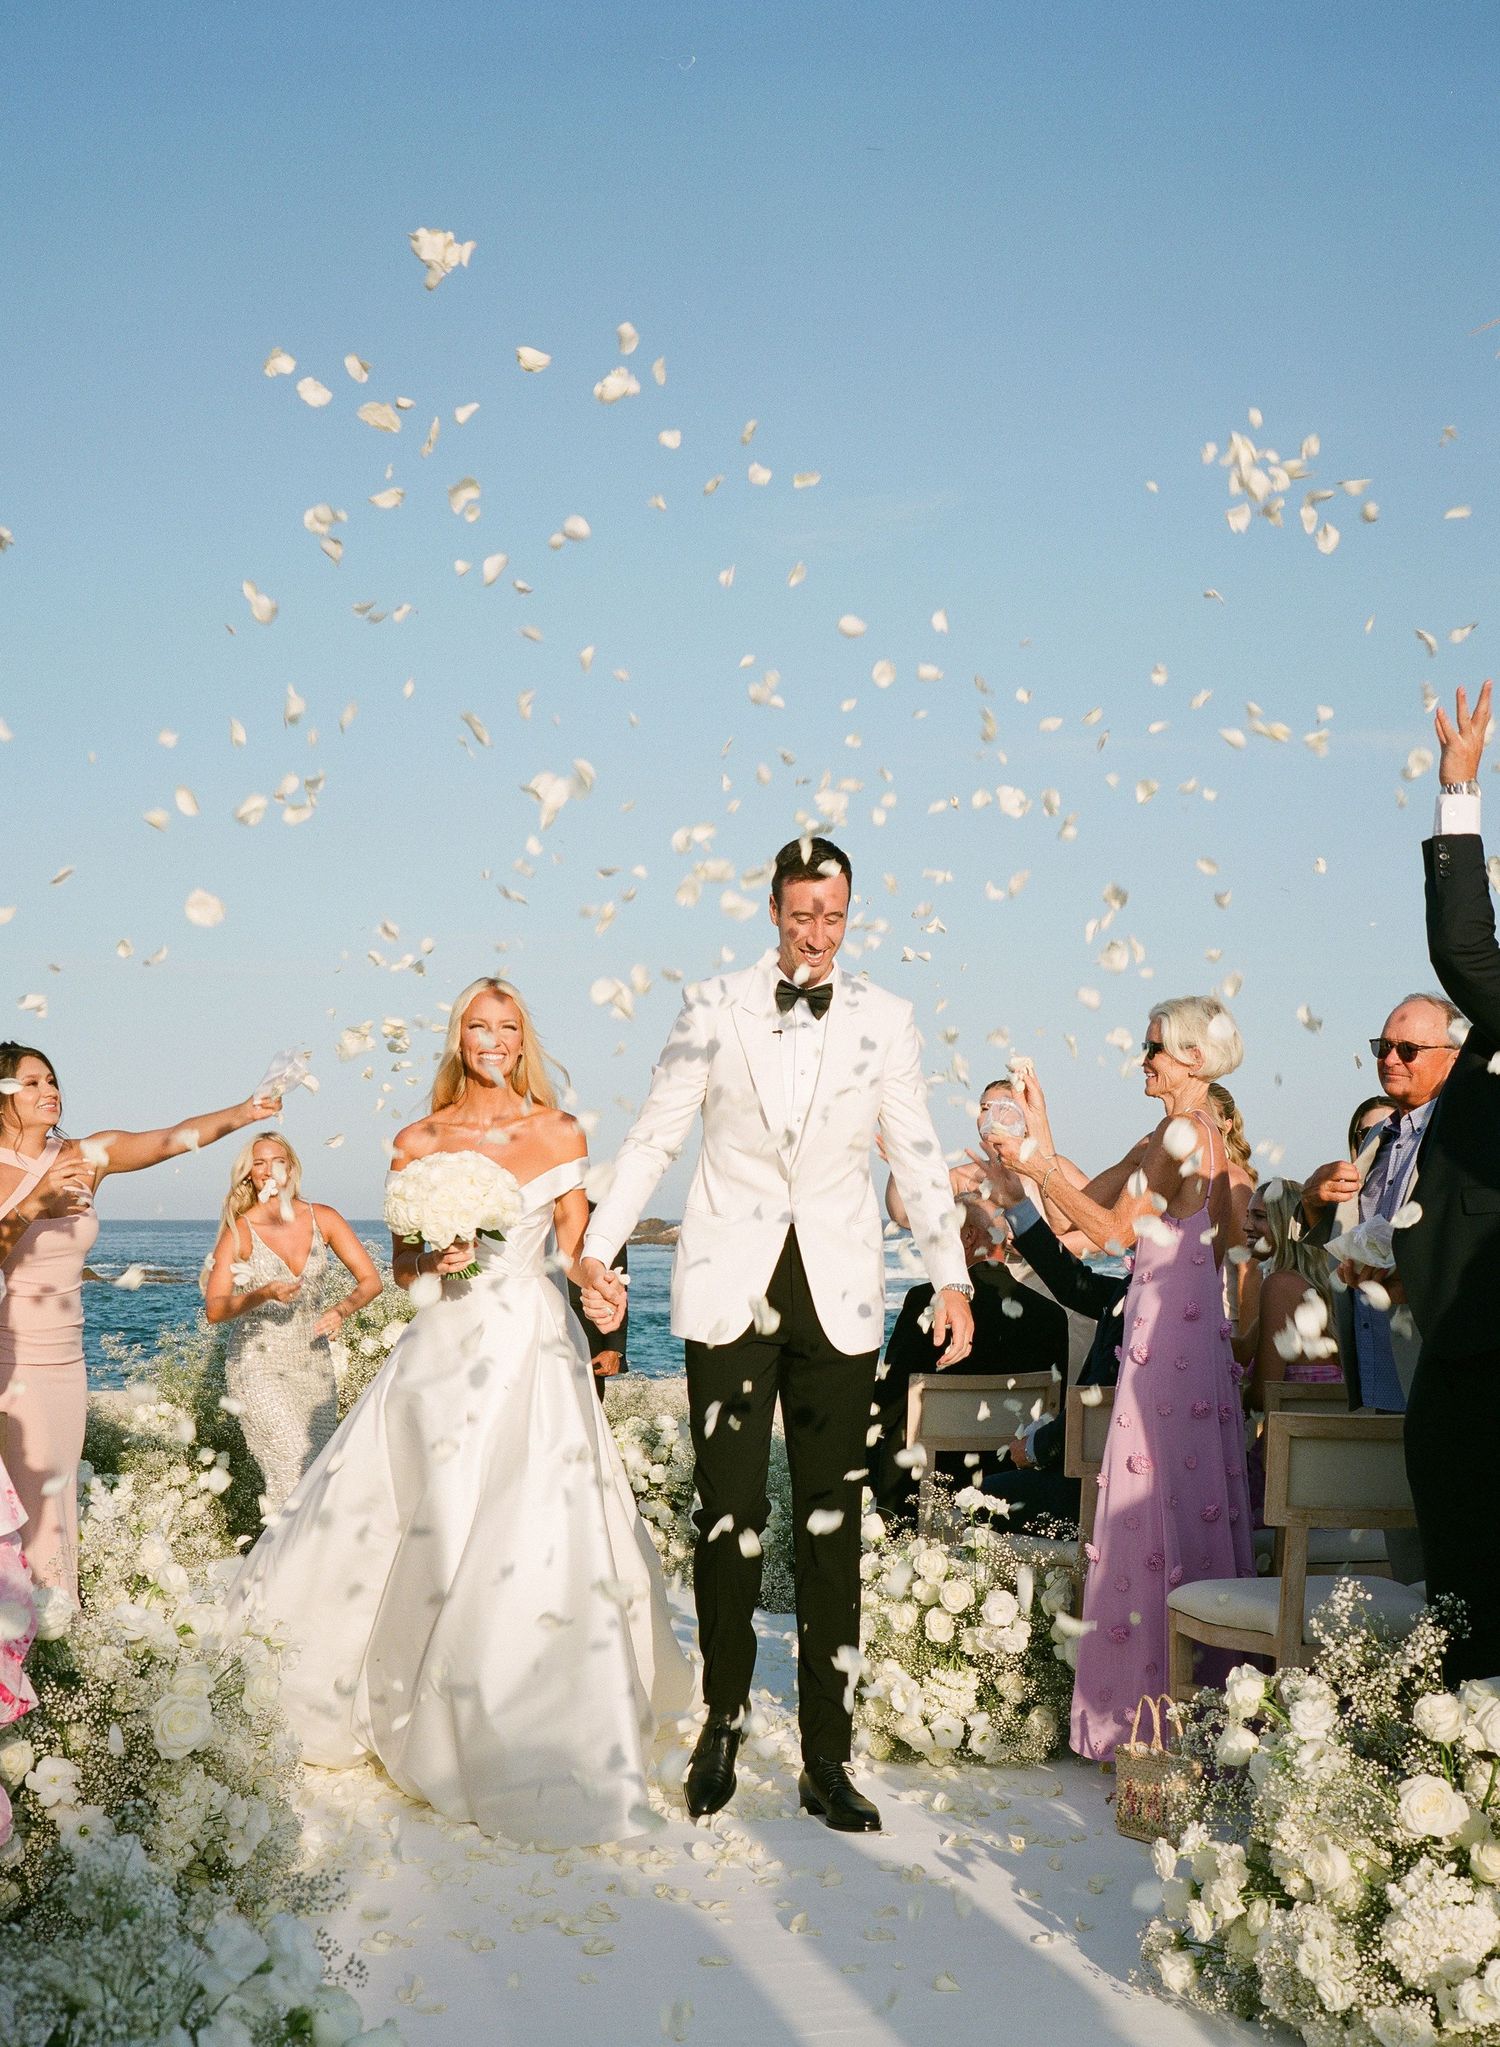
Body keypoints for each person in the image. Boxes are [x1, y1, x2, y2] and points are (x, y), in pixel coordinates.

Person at [229, 979, 692, 1847]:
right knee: (433, 1512)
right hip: (442, 1345)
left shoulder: (560, 1131)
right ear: (459, 1038)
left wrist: (600, 1285)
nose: (493, 1039)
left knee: (535, 1513)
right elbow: (403, 1272)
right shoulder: (418, 1140)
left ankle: (523, 1708)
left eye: (507, 1026)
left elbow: (575, 1247)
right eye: (478, 1025)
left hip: (531, 1344)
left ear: (523, 1039)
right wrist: (433, 1259)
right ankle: (404, 1690)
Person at [579, 835, 973, 1834]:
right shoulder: (712, 1005)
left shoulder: (887, 1017)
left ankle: (827, 1758)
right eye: (802, 915)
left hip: (838, 1292)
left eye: (833, 916)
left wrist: (951, 1275)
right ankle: (720, 1724)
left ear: (850, 915)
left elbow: (917, 1153)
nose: (817, 934)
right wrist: (596, 1249)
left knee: (832, 1520)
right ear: (773, 911)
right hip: (730, 1289)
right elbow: (654, 1135)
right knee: (730, 1511)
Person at [994, 997, 1255, 1762]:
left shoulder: (1182, 1135)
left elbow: (1108, 1231)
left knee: (1147, 1518)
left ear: (1194, 1059)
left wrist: (1034, 1163)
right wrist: (1039, 1135)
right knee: (1181, 1513)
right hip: (1190, 1343)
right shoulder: (1192, 1136)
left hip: (1165, 1348)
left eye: (1155, 1048)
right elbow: (1082, 1202)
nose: (1142, 1059)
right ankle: (1192, 1719)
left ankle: (1142, 1724)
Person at [0, 1042, 280, 1599]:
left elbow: (169, 1139)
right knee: (25, 1504)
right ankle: (24, 1621)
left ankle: (55, 1619)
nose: (49, 1090)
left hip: (68, 1360)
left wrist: (244, 1112)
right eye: (30, 1083)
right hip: (11, 1357)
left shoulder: (84, 1156)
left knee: (57, 1501)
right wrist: (34, 1207)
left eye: (51, 1080)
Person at [1392, 680, 1500, 1680]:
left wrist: (1462, 787)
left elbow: (1467, 951)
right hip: (1464, 1330)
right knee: (1459, 1557)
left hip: (1485, 1330)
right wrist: (1458, 790)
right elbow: (1469, 950)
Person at [203, 1135, 380, 1518]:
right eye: (259, 1163)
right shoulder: (240, 1231)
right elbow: (214, 1309)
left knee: (314, 1470)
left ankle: (302, 1549)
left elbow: (370, 1281)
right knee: (292, 1457)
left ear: (292, 1168)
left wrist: (342, 1310)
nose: (269, 1170)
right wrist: (261, 1294)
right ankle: (288, 1550)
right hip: (257, 1365)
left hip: (313, 1366)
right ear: (249, 1174)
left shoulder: (324, 1218)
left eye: (277, 1161)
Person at [1298, 998, 1459, 1417]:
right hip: (1375, 1367)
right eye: (1383, 1047)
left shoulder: (1464, 1137)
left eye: (1408, 1050)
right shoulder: (1377, 1137)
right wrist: (1314, 1204)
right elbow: (1354, 1244)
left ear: (1454, 1057)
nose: (1390, 1059)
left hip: (1434, 1367)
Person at [869, 1190, 1067, 1522]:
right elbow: (1052, 1413)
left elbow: (887, 1400)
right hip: (1009, 1476)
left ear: (968, 1236)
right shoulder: (1050, 1316)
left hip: (927, 1476)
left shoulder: (926, 1302)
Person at [971, 1157, 1129, 1531]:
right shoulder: (1134, 1290)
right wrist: (1016, 1204)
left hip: (1105, 1488)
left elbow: (1100, 1401)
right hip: (1095, 1470)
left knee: (981, 1500)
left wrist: (1036, 1448)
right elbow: (1074, 1285)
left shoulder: (1144, 1303)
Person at [1233, 1178, 1343, 1405]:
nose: (1246, 1226)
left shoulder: (1280, 1285)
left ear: (1286, 1224)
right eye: (1247, 1216)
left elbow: (1264, 1393)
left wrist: (1222, 1404)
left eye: (1259, 1216)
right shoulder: (1303, 1283)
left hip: (1304, 1425)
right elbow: (1243, 1350)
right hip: (1322, 1422)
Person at [566, 1208, 629, 1403]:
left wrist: (613, 1347)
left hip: (585, 1330)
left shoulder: (595, 1209)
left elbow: (615, 1281)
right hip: (521, 1321)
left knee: (586, 1408)